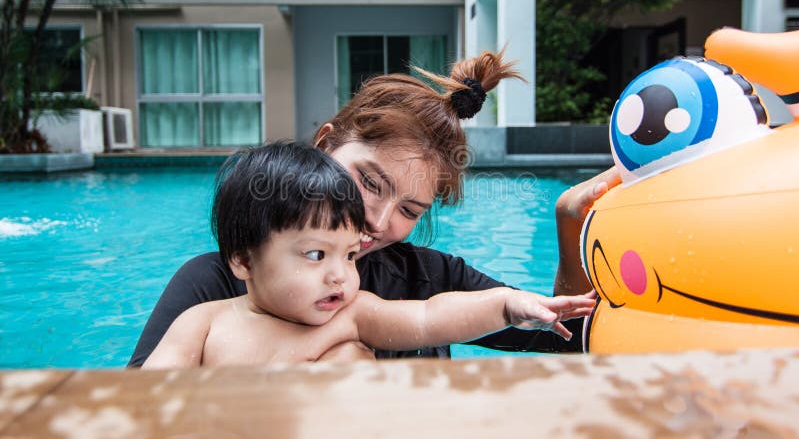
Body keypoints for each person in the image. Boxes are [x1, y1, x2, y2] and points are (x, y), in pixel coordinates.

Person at [128, 51, 618, 366]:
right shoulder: (213, 286)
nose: (377, 222)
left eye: (411, 210)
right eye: (368, 182)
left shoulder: (428, 279)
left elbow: (568, 338)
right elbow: (139, 408)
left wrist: (570, 225)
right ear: (325, 145)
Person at [142, 143, 595, 368]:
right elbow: (147, 400)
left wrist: (507, 305)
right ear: (243, 260)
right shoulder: (203, 321)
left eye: (349, 256)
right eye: (316, 254)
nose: (340, 275)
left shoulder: (354, 313)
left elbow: (430, 317)